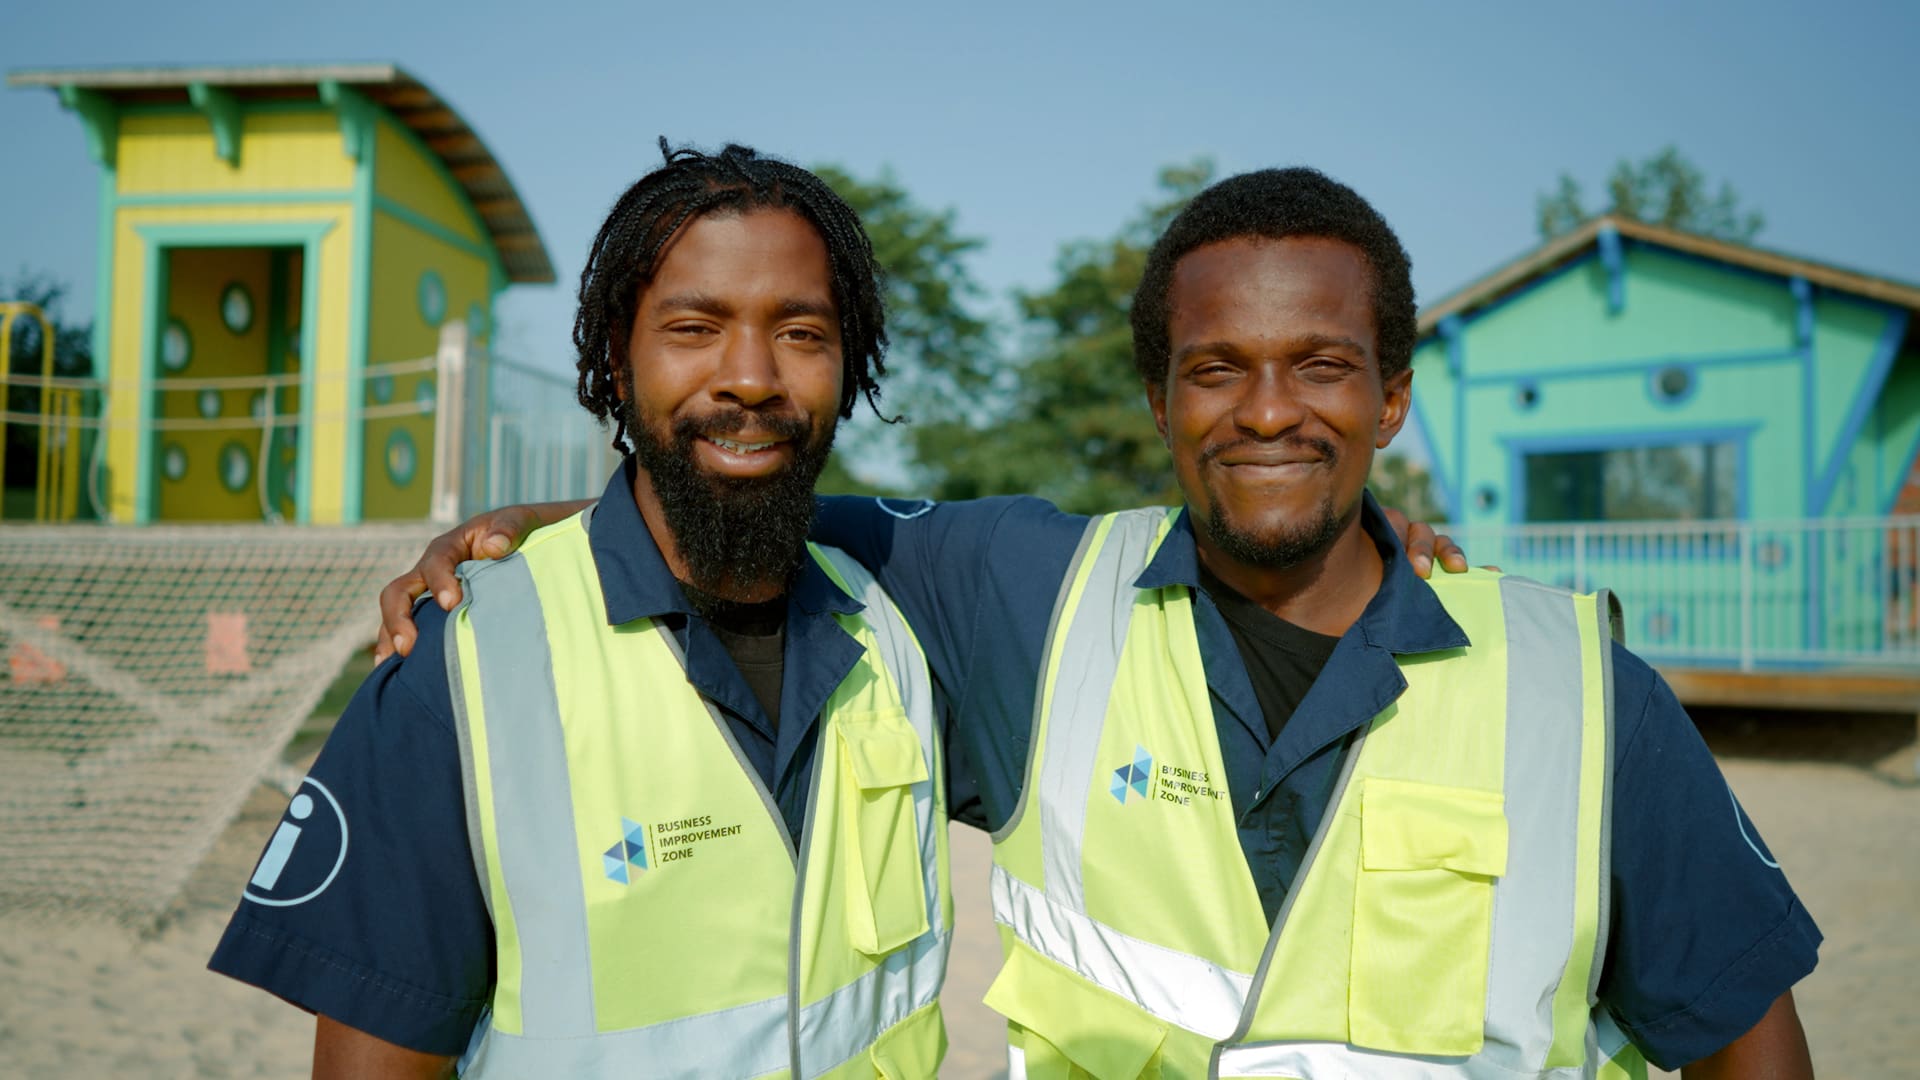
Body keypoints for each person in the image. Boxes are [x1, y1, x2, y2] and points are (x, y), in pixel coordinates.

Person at [381, 169, 1818, 1077]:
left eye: (1321, 368)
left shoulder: (1573, 685)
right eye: (1217, 369)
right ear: (1159, 399)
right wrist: (544, 528)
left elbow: (1747, 1044)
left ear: (1392, 398)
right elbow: (755, 487)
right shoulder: (1021, 595)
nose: (1268, 411)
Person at [210, 143, 957, 1078]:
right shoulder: (463, 658)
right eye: (694, 327)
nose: (753, 376)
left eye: (802, 333)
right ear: (616, 355)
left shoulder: (902, 629)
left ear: (851, 364)